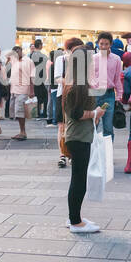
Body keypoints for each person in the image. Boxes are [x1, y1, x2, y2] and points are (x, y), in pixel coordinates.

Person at [61, 46, 108, 233]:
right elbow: (76, 113)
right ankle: (75, 221)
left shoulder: (74, 82)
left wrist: (95, 114)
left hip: (78, 136)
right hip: (78, 137)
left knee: (78, 178)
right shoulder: (78, 85)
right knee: (79, 180)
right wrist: (95, 112)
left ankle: (75, 217)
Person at [54, 38, 83, 168]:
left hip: (78, 95)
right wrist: (70, 82)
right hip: (63, 95)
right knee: (62, 126)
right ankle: (62, 154)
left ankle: (71, 153)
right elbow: (57, 78)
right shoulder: (61, 59)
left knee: (74, 124)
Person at [90, 32, 124, 138]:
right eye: (101, 44)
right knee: (92, 126)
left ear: (111, 44)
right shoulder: (92, 58)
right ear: (97, 44)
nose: (103, 46)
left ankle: (108, 153)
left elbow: (118, 79)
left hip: (109, 95)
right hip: (94, 94)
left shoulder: (116, 59)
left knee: (108, 127)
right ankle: (92, 152)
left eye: (106, 44)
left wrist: (119, 96)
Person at [8, 44, 35, 140]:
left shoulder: (28, 61)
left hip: (23, 89)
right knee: (16, 112)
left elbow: (32, 76)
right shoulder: (14, 61)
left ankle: (23, 132)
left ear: (21, 51)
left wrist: (32, 91)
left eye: (17, 52)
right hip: (14, 89)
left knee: (20, 111)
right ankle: (21, 131)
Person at [29, 39, 49, 120]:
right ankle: (43, 113)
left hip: (34, 78)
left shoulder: (31, 56)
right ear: (40, 45)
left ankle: (37, 113)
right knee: (44, 97)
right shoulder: (44, 56)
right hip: (42, 78)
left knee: (37, 96)